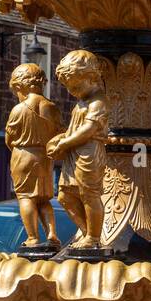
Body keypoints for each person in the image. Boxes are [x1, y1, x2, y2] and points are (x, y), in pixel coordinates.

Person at [47, 49, 109, 249]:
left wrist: (65, 143)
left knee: (89, 195)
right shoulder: (82, 102)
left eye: (75, 86)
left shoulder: (99, 101)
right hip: (74, 153)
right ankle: (86, 233)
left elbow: (89, 129)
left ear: (91, 76)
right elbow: (75, 129)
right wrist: (61, 138)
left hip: (89, 153)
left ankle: (94, 237)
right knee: (65, 196)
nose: (71, 92)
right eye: (68, 87)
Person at [5, 62, 65, 247]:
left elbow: (9, 137)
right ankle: (52, 234)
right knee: (44, 198)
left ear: (20, 86)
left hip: (24, 155)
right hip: (45, 157)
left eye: (17, 91)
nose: (18, 96)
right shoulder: (52, 107)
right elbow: (61, 131)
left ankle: (33, 237)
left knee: (26, 197)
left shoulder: (19, 109)